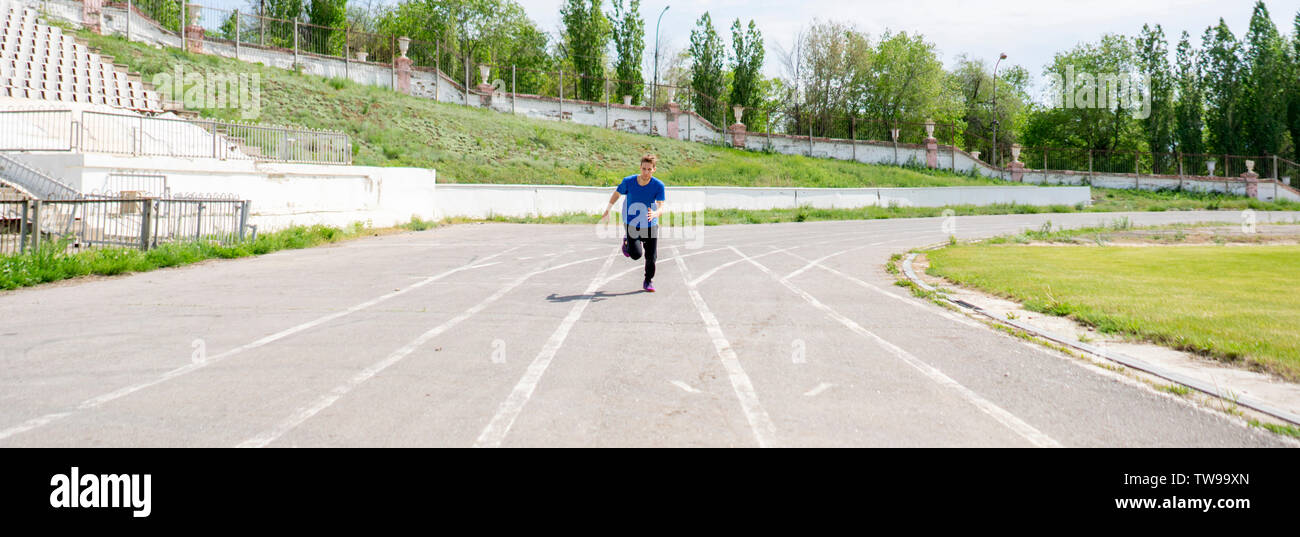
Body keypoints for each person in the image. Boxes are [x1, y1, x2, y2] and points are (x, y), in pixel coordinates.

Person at [599, 154, 666, 292]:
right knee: (636, 255)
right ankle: (627, 243)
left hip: (650, 223)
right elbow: (617, 193)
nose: (646, 172)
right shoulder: (629, 181)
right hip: (632, 223)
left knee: (651, 256)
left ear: (654, 169)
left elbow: (661, 206)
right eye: (643, 169)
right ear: (640, 167)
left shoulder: (658, 185)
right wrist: (608, 209)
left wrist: (655, 213)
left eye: (649, 169)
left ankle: (648, 281)